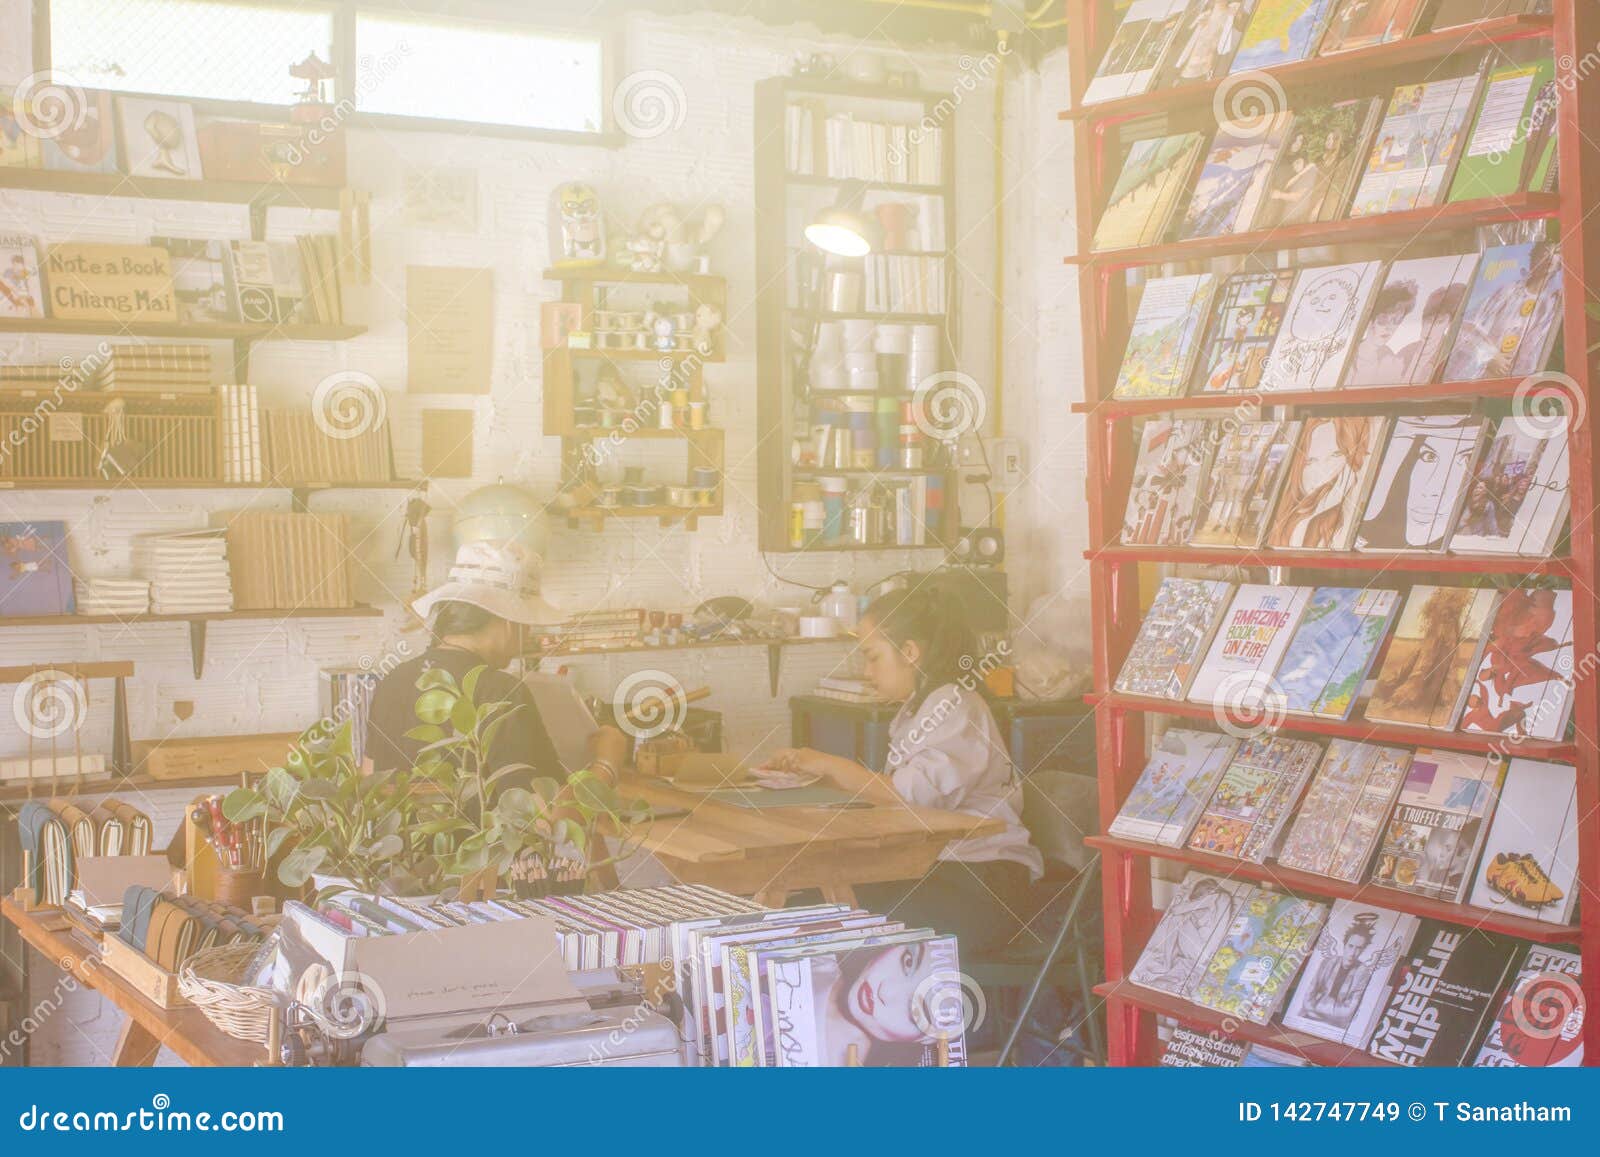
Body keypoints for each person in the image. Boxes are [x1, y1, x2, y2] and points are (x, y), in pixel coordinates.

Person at [767, 588, 1043, 951]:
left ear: (910, 652)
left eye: (873, 657)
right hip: (939, 871)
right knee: (796, 905)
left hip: (981, 884)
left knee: (811, 919)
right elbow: (896, 799)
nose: (867, 672)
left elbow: (905, 795)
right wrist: (819, 776)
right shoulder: (918, 709)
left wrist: (821, 761)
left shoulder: (956, 704)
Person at [364, 540, 627, 792]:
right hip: (481, 841)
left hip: (400, 840)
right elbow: (550, 816)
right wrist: (607, 762)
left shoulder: (392, 680)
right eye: (528, 624)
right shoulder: (501, 692)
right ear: (509, 622)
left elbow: (369, 779)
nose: (528, 636)